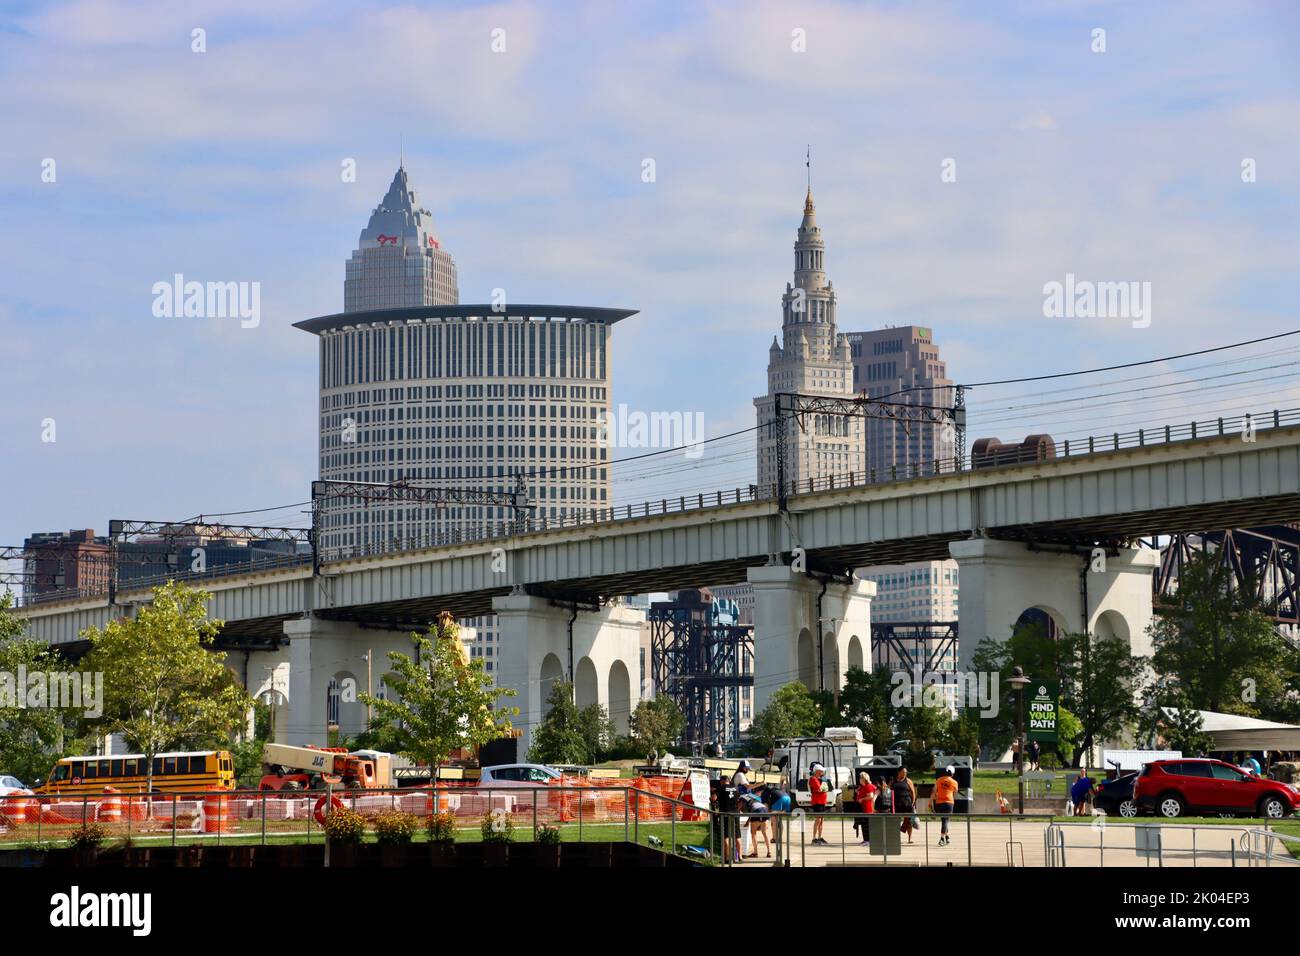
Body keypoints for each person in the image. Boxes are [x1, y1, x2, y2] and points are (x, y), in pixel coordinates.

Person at [931, 765, 959, 847]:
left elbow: (934, 791)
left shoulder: (939, 780)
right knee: (945, 820)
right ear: (952, 773)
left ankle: (946, 836)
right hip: (949, 803)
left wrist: (931, 801)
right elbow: (955, 792)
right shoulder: (954, 782)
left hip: (939, 802)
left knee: (944, 820)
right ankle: (942, 838)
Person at [892, 768, 917, 844]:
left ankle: (910, 838)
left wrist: (912, 803)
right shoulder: (893, 781)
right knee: (895, 822)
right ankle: (897, 838)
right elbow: (888, 790)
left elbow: (913, 792)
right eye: (903, 772)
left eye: (906, 772)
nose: (905, 773)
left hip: (907, 804)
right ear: (899, 772)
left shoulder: (908, 781)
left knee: (908, 822)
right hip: (896, 804)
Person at [809, 764, 830, 845]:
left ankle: (820, 837)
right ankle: (814, 838)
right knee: (818, 820)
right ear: (817, 771)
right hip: (817, 801)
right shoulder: (813, 779)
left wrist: (824, 786)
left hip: (822, 801)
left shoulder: (820, 779)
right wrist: (824, 785)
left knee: (821, 820)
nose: (822, 772)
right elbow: (820, 789)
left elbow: (826, 788)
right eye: (821, 770)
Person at [853, 772, 877, 845]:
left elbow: (871, 796)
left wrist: (862, 799)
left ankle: (869, 840)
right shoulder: (862, 787)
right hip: (862, 808)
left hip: (868, 808)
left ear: (864, 779)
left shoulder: (868, 786)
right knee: (864, 824)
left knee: (867, 825)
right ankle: (866, 839)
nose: (859, 779)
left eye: (861, 778)